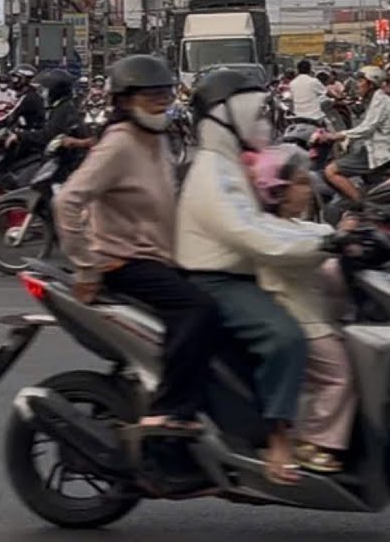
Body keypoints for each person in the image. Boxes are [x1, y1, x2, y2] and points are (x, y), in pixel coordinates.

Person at [53, 54, 221, 464]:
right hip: (123, 262)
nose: (161, 102)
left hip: (160, 256)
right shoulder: (120, 143)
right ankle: (171, 412)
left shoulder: (159, 138)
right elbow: (69, 202)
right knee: (198, 309)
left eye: (164, 93)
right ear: (125, 101)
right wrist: (87, 265)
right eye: (150, 96)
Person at [175, 67, 332, 485]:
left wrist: (325, 233)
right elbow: (254, 234)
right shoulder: (212, 172)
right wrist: (324, 242)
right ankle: (278, 439)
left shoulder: (232, 164)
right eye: (256, 113)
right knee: (287, 337)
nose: (264, 122)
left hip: (244, 273)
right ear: (227, 116)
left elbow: (274, 219)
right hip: (218, 281)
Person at [243, 145, 356, 474]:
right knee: (339, 376)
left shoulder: (303, 227)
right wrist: (338, 238)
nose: (310, 190)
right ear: (278, 189)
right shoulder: (272, 231)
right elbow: (304, 248)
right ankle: (313, 442)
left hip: (317, 316)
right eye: (302, 183)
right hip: (298, 320)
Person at [321, 65, 390, 202]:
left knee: (330, 171)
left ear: (371, 84)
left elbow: (367, 127)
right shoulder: (374, 99)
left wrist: (337, 135)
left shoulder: (380, 100)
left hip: (382, 152)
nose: (358, 84)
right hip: (373, 148)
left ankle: (360, 204)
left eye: (361, 81)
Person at [11, 68, 89, 159]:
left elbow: (48, 135)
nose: (41, 94)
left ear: (55, 90)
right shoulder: (59, 106)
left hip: (68, 160)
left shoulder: (64, 109)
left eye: (44, 90)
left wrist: (20, 136)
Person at [288, 58, 329, 124]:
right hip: (314, 116)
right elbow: (326, 92)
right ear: (310, 69)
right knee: (328, 124)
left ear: (297, 70)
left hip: (298, 116)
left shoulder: (292, 83)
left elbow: (291, 99)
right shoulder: (313, 81)